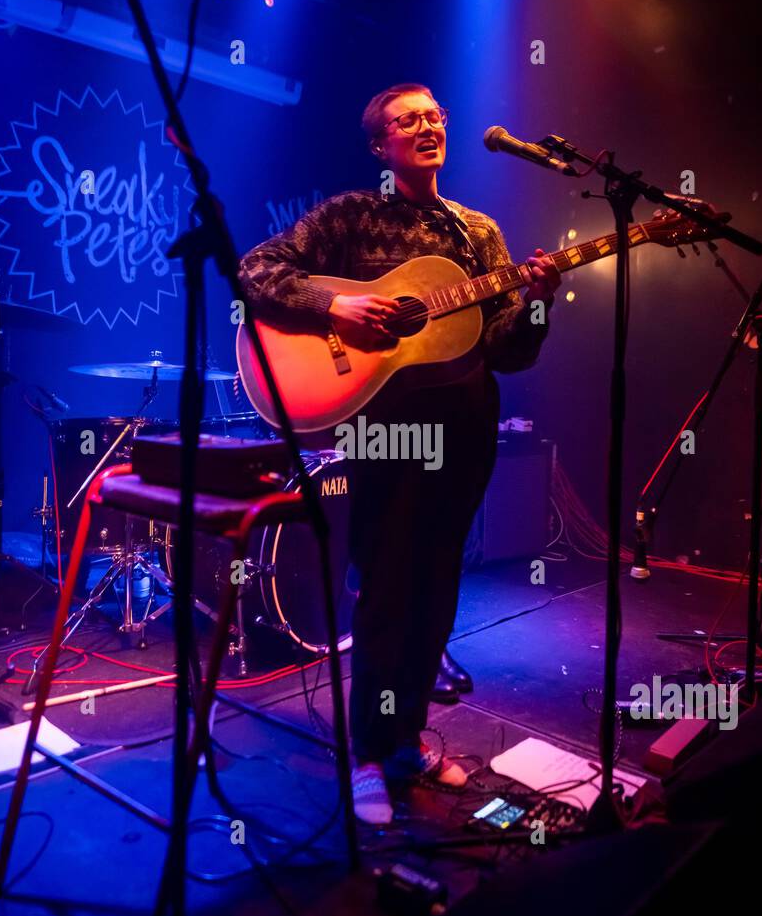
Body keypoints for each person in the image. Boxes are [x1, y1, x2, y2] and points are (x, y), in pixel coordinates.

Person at [238, 84, 560, 823]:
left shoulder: (478, 233)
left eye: (434, 115)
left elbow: (509, 352)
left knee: (437, 589)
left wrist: (539, 297)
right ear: (380, 146)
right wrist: (337, 305)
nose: (426, 126)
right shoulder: (353, 216)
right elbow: (256, 270)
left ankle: (407, 738)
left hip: (467, 427)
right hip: (386, 431)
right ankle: (367, 756)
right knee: (385, 589)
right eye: (405, 120)